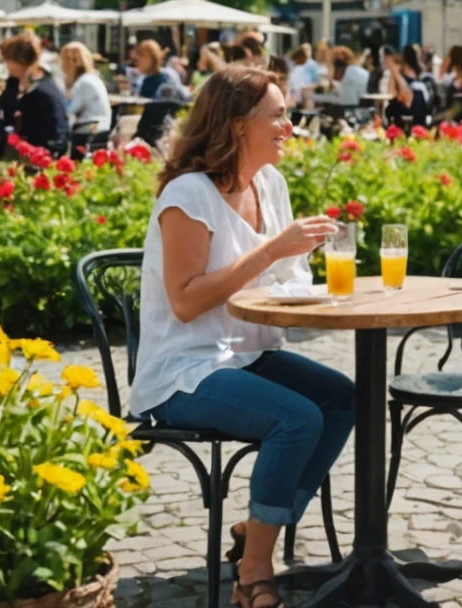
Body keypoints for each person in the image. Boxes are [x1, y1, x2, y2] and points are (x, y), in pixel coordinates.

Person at [131, 64, 353, 608]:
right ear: (236, 125)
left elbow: (285, 276)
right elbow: (185, 301)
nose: (291, 126)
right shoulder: (189, 195)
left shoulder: (269, 184)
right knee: (296, 417)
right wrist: (275, 250)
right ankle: (256, 567)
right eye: (278, 115)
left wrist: (304, 284)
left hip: (245, 355)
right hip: (182, 371)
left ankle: (256, 530)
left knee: (344, 398)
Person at [0, 34, 69, 157]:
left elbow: (8, 114)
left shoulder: (39, 91)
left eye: (8, 61)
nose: (6, 65)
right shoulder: (42, 80)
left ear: (20, 61)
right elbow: (2, 106)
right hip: (49, 147)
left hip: (44, 152)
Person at [60, 42, 112, 145]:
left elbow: (69, 110)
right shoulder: (91, 78)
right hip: (99, 129)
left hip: (88, 132)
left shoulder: (83, 82)